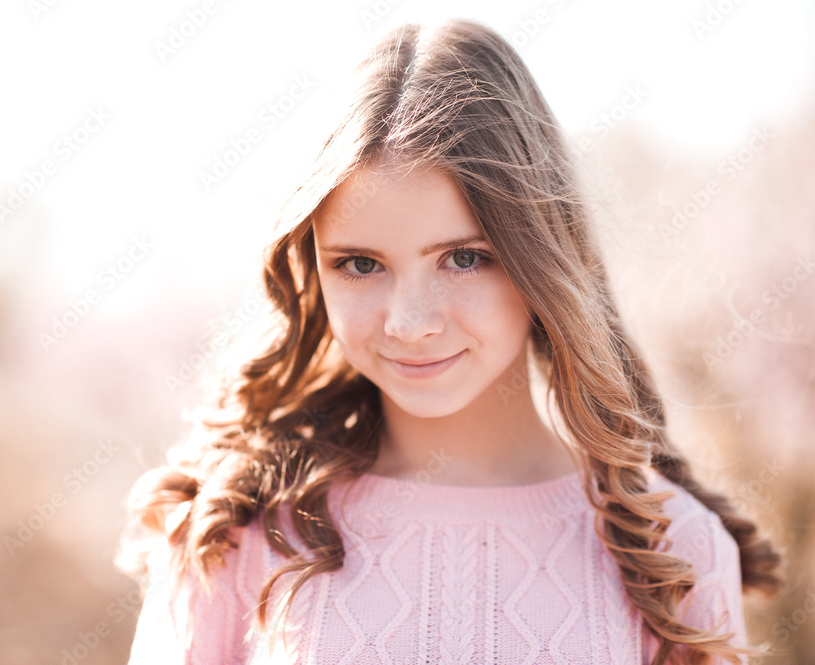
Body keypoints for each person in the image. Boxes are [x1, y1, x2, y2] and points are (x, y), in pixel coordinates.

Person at [117, 18, 784, 665]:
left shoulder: (674, 550)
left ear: (540, 256)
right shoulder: (237, 528)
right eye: (360, 263)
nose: (410, 322)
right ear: (313, 269)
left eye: (463, 258)